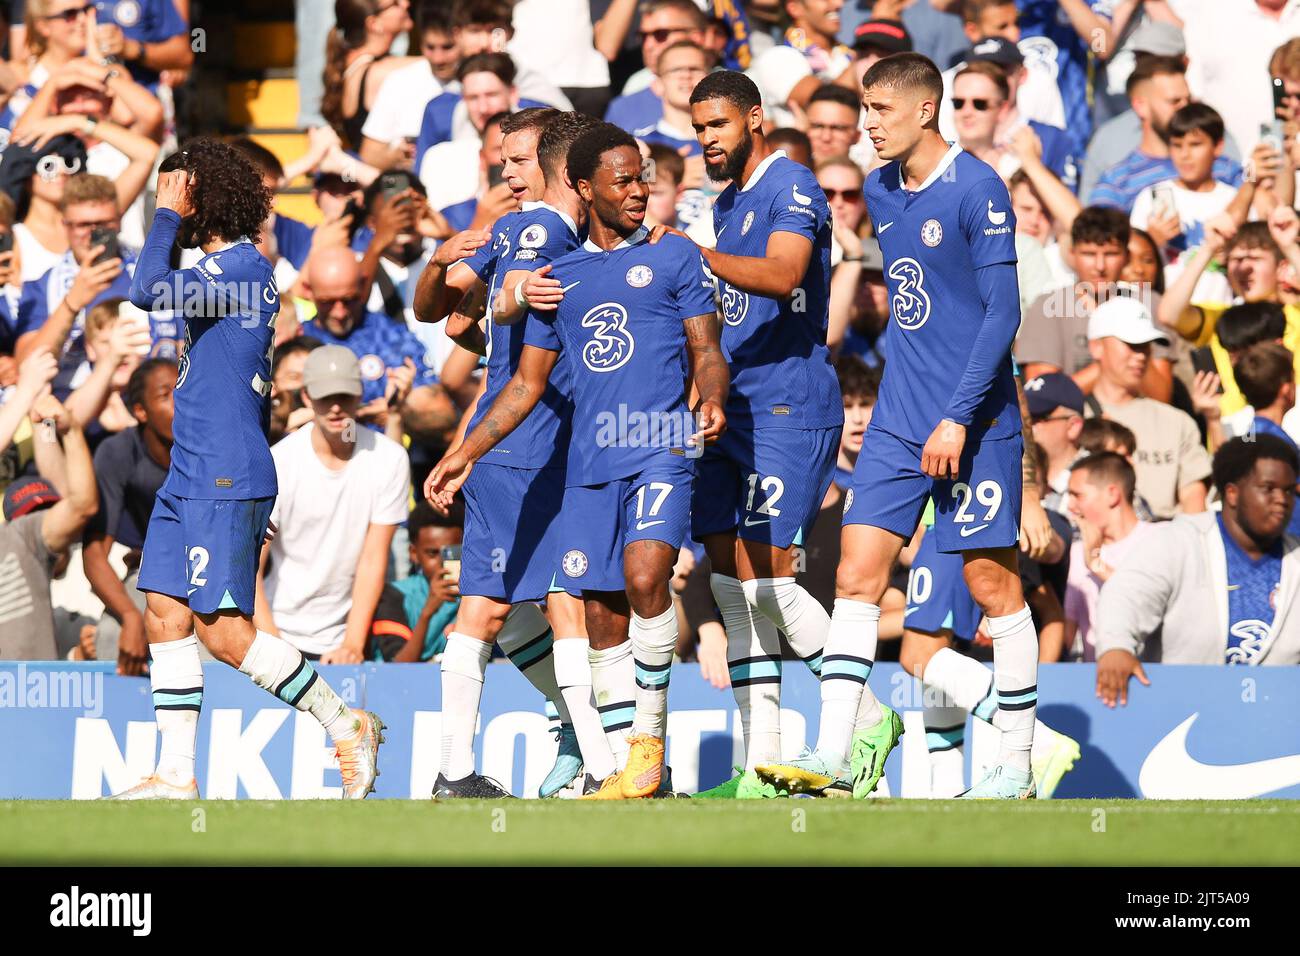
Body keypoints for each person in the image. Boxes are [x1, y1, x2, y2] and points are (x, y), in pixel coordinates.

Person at [758, 52, 1041, 800]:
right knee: (854, 575)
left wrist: (957, 417)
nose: (866, 124)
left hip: (973, 423)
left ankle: (1016, 762)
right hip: (895, 420)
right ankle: (834, 751)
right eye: (864, 109)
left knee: (990, 587)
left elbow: (1002, 315)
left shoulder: (978, 188)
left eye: (879, 110)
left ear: (924, 110)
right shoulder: (881, 188)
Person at [427, 121, 728, 800]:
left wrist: (710, 395)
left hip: (660, 445)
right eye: (623, 180)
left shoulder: (676, 257)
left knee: (647, 572)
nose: (639, 191)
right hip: (588, 469)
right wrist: (465, 452)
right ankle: (626, 768)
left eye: (643, 177)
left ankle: (646, 746)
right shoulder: (557, 279)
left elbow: (708, 350)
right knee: (598, 616)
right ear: (585, 188)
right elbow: (523, 386)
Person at [113, 139, 382, 801]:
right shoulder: (225, 271)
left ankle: (344, 723)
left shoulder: (240, 268)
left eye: (176, 190)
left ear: (199, 199)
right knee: (165, 614)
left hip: (224, 474)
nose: (165, 200)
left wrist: (165, 218)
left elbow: (146, 289)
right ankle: (176, 775)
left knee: (226, 634)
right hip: (192, 470)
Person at [650, 71, 847, 795]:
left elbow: (785, 271)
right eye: (698, 127)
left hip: (788, 408)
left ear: (755, 119)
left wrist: (691, 253)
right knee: (733, 586)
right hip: (731, 411)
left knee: (770, 581)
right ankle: (760, 762)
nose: (706, 139)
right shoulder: (729, 204)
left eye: (718, 125)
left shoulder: (791, 182)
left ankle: (864, 725)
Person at [417, 109, 622, 800]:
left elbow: (451, 318)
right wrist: (507, 297)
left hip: (507, 443)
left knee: (486, 610)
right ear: (577, 171)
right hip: (535, 445)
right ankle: (600, 766)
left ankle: (453, 771)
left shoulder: (519, 229)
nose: (506, 172)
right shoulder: (543, 227)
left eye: (516, 158)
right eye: (503, 159)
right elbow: (495, 300)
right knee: (565, 602)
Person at [1096, 436, 1300, 708]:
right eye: (1268, 488)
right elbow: (1125, 595)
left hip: (1271, 722)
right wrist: (1116, 647)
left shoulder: (1295, 558)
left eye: (1289, 491)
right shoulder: (1179, 541)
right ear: (1232, 493)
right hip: (1179, 710)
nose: (1282, 500)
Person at [254, 345, 409, 664]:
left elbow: (373, 559)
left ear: (360, 394)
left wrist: (352, 643)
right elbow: (252, 562)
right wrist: (271, 641)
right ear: (308, 397)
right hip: (277, 630)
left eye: (345, 396)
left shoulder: (390, 459)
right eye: (326, 397)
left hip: (345, 641)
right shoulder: (279, 461)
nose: (336, 408)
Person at [297, 246, 442, 443]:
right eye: (327, 302)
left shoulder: (395, 339)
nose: (339, 313)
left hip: (385, 460)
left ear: (364, 284)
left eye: (349, 300)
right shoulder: (296, 346)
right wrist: (360, 413)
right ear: (308, 290)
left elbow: (440, 412)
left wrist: (403, 410)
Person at [1085, 295, 1211, 520]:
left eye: (1145, 346)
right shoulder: (1074, 416)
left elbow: (1194, 501)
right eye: (1132, 344)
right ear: (1096, 347)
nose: (1141, 355)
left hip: (1166, 542)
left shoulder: (1177, 421)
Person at [0, 390, 98, 660]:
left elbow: (81, 505)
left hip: (42, 694)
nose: (47, 521)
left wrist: (71, 431)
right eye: (34, 516)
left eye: (50, 510)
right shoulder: (16, 540)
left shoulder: (95, 559)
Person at [1087, 55, 1243, 213]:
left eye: (1187, 99)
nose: (1185, 107)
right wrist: (1150, 237)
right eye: (1174, 101)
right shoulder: (1117, 181)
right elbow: (1097, 235)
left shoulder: (1223, 168)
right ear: (1141, 106)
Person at [1063, 451, 1152, 662]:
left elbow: (1148, 603)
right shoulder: (1077, 552)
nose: (1070, 506)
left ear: (1112, 494)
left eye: (1078, 495)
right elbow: (1068, 630)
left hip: (1154, 675)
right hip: (1096, 682)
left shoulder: (1158, 539)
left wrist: (1096, 564)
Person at [358, 6, 461, 170]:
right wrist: (396, 156)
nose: (438, 58)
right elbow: (368, 155)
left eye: (447, 47)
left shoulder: (481, 80)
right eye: (430, 47)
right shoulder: (400, 81)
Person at [369, 500, 462, 662]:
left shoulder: (478, 596)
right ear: (413, 553)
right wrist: (428, 612)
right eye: (432, 553)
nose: (442, 562)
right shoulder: (393, 595)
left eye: (451, 552)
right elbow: (399, 667)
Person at [320, 0, 418, 151]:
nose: (406, 4)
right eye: (395, 3)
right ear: (374, 24)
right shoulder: (381, 72)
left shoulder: (352, 64)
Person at [745, 0, 857, 129]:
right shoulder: (778, 57)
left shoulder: (847, 55)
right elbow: (829, 101)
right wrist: (866, 54)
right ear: (795, 8)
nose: (838, 4)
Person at [1024, 371, 1085, 516]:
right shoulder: (1012, 475)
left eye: (1036, 418)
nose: (1024, 426)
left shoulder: (1102, 478)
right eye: (1021, 416)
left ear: (1073, 427)